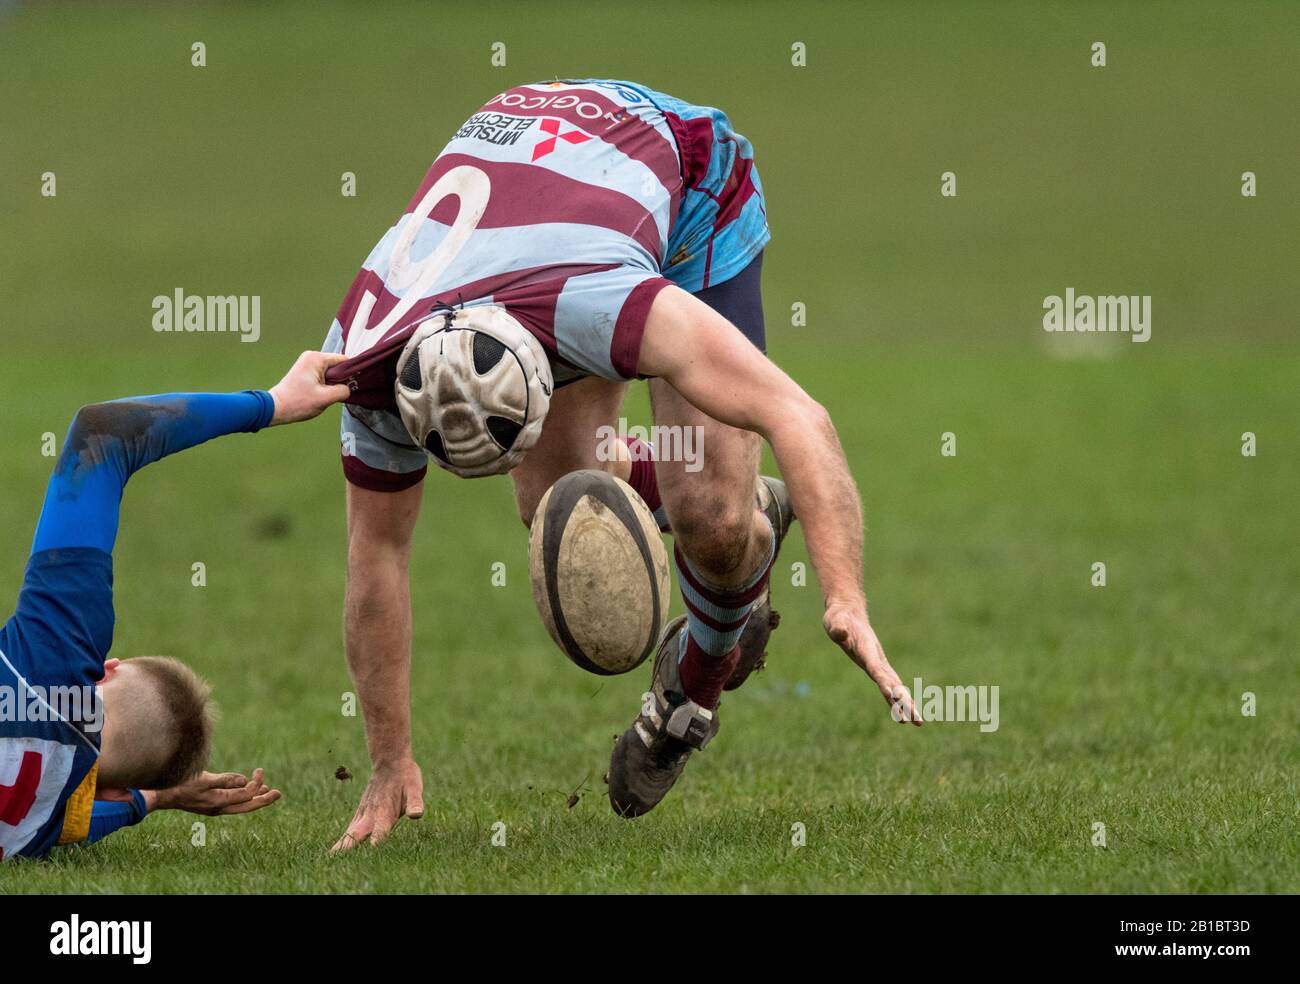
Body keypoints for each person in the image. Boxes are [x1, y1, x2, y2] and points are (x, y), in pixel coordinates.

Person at [322, 79, 921, 847]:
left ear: (548, 360)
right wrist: (387, 757)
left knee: (710, 517)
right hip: (544, 193)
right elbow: (376, 553)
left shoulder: (601, 302)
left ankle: (690, 690)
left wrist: (845, 600)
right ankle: (743, 517)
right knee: (562, 508)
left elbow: (797, 415)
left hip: (686, 180)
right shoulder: (365, 366)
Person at [0, 352, 349, 860]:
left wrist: (270, 404)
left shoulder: (50, 663)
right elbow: (75, 818)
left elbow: (101, 435)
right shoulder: (35, 822)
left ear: (105, 670)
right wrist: (155, 799)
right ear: (109, 790)